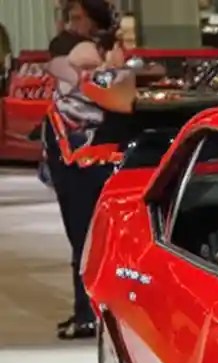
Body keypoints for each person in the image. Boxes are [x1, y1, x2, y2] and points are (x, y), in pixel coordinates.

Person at [42, 0, 137, 340]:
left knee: (88, 238)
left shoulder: (97, 52)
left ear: (94, 21)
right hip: (72, 155)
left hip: (91, 158)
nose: (71, 23)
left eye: (77, 17)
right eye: (69, 17)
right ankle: (87, 310)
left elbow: (122, 99)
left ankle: (91, 313)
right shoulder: (75, 48)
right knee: (80, 238)